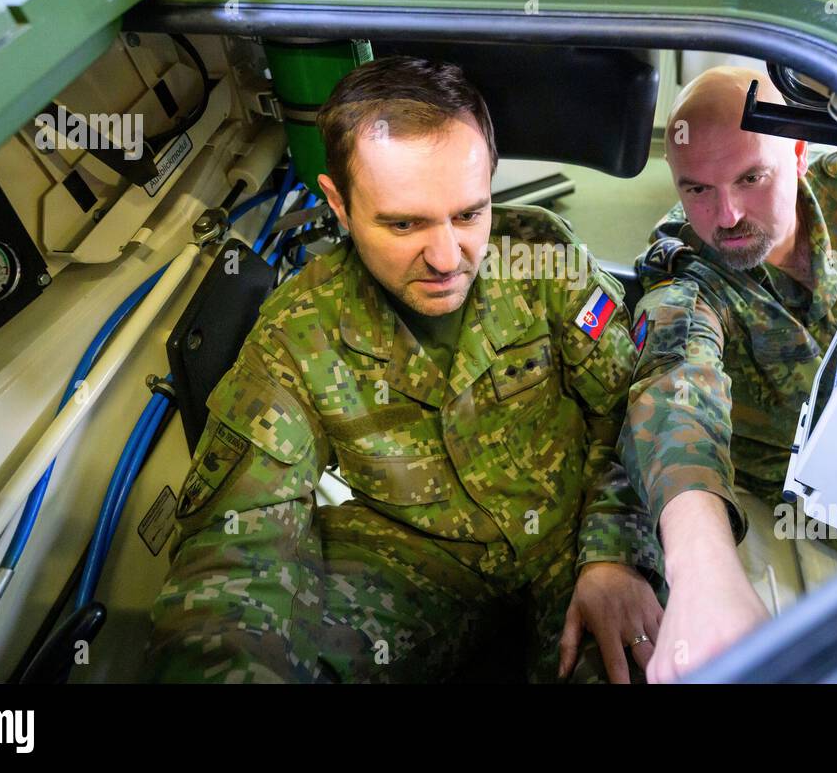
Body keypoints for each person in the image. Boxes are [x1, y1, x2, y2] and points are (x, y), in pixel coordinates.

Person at [145, 56, 661, 683]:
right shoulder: (299, 330)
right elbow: (235, 541)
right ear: (338, 203)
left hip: (575, 533)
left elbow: (631, 408)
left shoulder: (541, 258)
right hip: (415, 555)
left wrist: (616, 555)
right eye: (403, 223)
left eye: (469, 214)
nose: (448, 258)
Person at [619, 66, 837, 682]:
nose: (728, 215)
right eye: (697, 190)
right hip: (806, 519)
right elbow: (673, 391)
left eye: (750, 177)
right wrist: (702, 574)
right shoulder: (685, 272)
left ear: (798, 151)